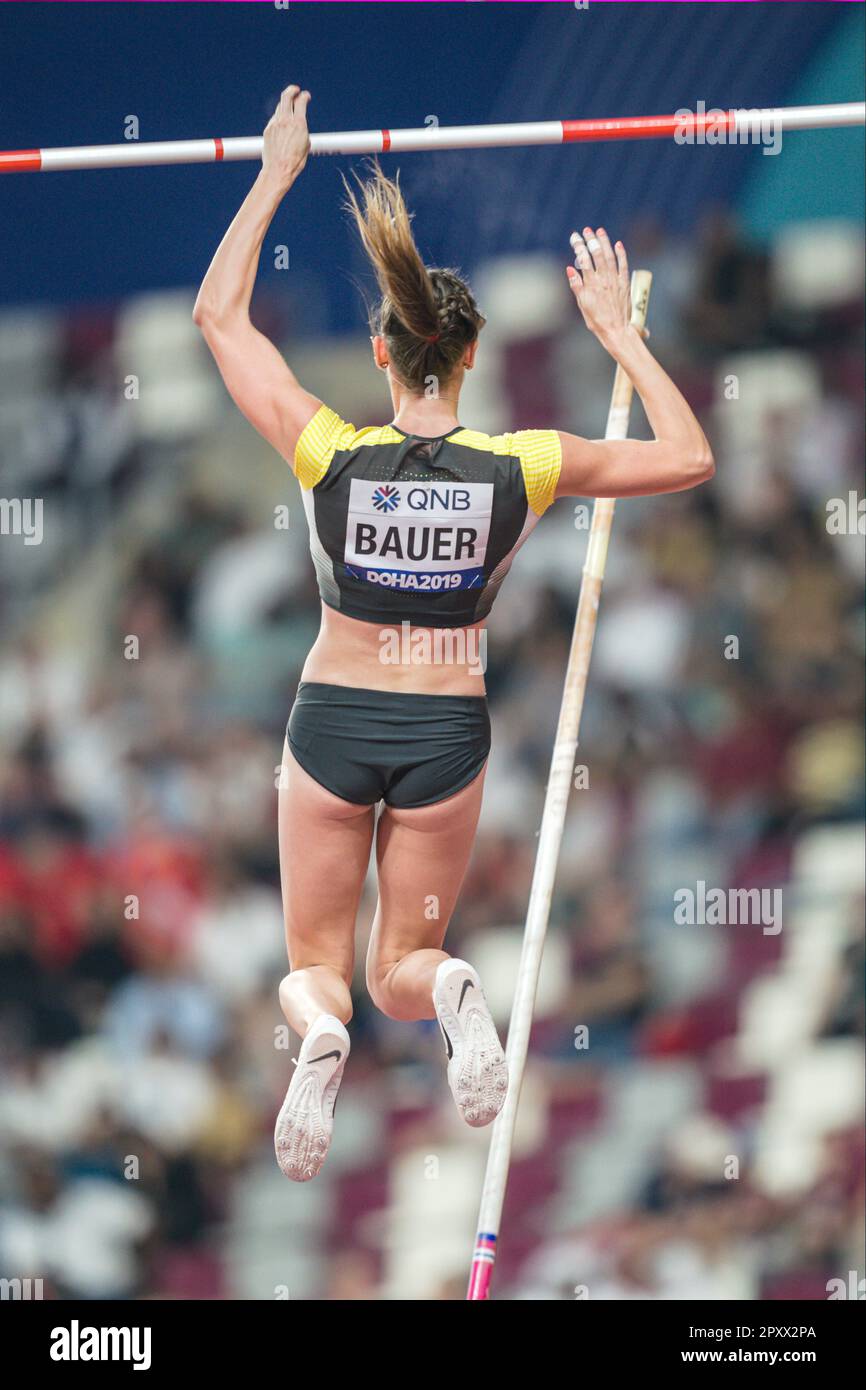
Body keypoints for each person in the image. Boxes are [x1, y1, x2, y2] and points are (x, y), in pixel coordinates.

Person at [193, 85, 714, 1181]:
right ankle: (444, 990)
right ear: (466, 359)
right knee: (403, 963)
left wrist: (273, 173)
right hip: (445, 737)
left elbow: (217, 320)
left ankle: (320, 1035)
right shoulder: (520, 464)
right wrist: (619, 336)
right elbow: (687, 457)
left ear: (383, 357)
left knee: (314, 967)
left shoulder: (327, 449)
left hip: (332, 721)